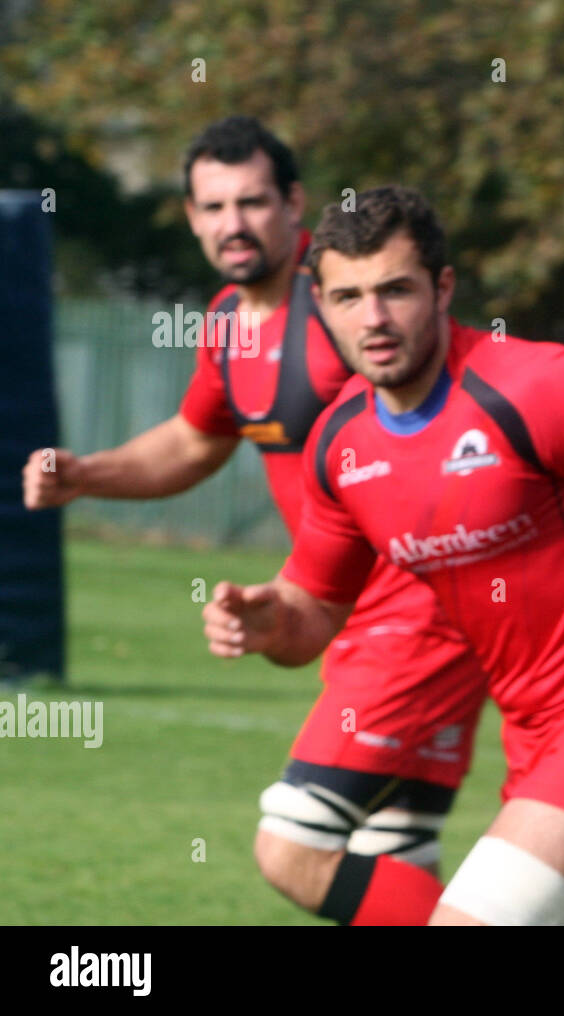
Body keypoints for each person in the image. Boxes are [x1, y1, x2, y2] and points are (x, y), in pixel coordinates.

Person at [200, 185, 564, 925]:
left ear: (444, 288)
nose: (373, 319)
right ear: (318, 303)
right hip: (535, 742)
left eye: (395, 290)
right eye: (348, 296)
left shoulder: (544, 387)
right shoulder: (340, 445)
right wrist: (269, 623)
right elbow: (312, 611)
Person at [23, 117, 489, 925]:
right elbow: (194, 442)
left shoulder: (349, 305)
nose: (232, 223)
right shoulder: (228, 325)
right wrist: (88, 474)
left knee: (294, 844)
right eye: (212, 207)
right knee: (390, 857)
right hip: (345, 618)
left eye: (251, 202)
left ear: (294, 202)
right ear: (193, 217)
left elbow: (463, 417)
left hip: (418, 617)